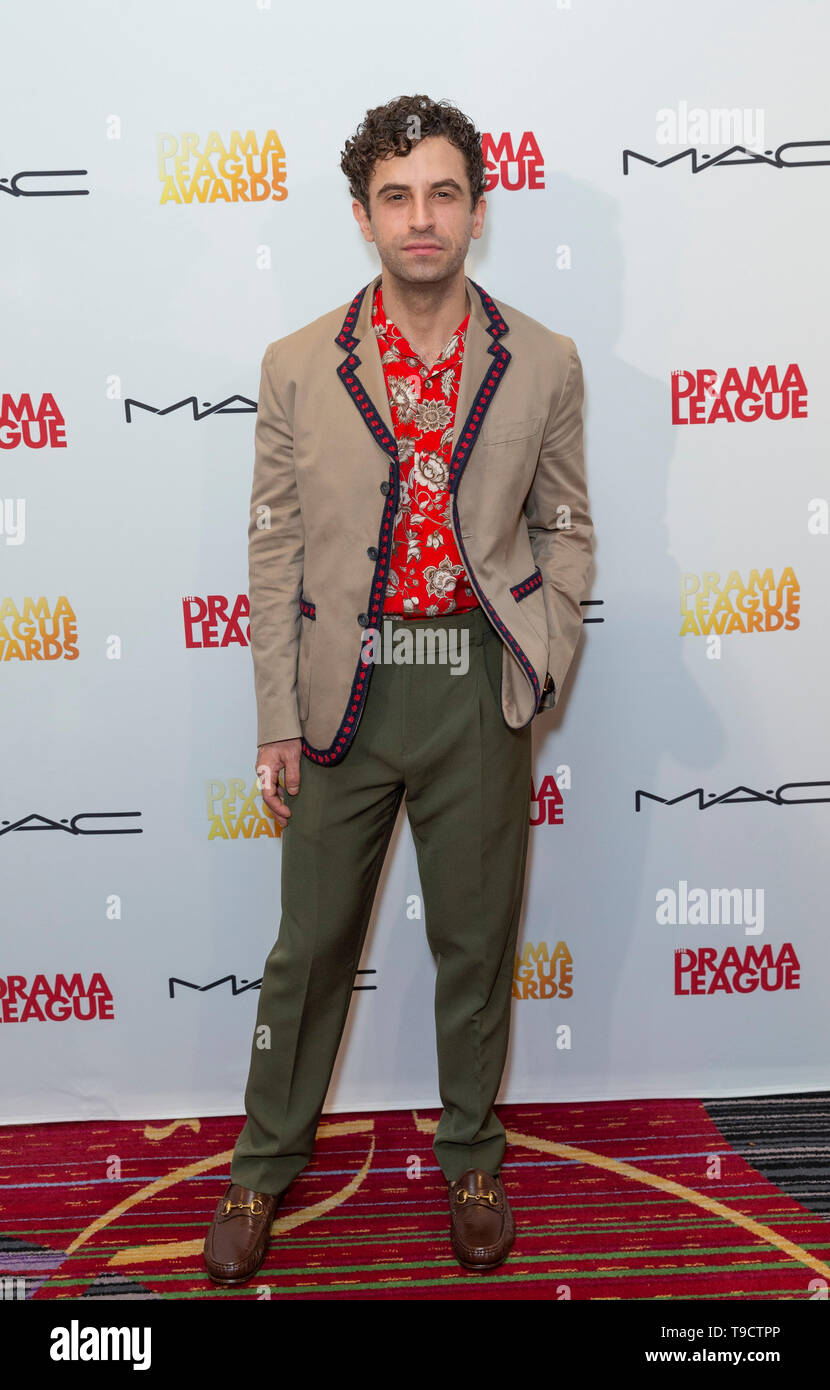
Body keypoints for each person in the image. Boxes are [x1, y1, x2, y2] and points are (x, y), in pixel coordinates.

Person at [203, 92, 594, 1284]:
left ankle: (470, 1154)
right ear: (363, 215)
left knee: (476, 944)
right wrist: (276, 712)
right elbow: (273, 547)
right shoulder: (292, 365)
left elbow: (566, 525)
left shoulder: (545, 362)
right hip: (344, 689)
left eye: (441, 194)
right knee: (307, 948)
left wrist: (544, 650)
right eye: (394, 197)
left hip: (474, 681)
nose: (419, 219)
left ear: (476, 209)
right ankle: (263, 1167)